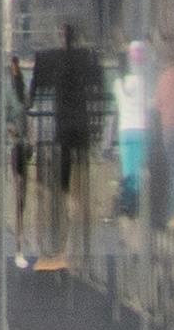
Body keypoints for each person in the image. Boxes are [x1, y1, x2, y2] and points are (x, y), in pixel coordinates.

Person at [25, 17, 114, 265]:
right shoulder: (87, 58)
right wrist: (97, 128)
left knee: (63, 183)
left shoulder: (52, 58)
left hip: (64, 127)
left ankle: (64, 238)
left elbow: (33, 94)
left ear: (62, 36)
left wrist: (27, 104)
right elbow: (99, 92)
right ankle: (77, 240)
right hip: (80, 127)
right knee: (79, 180)